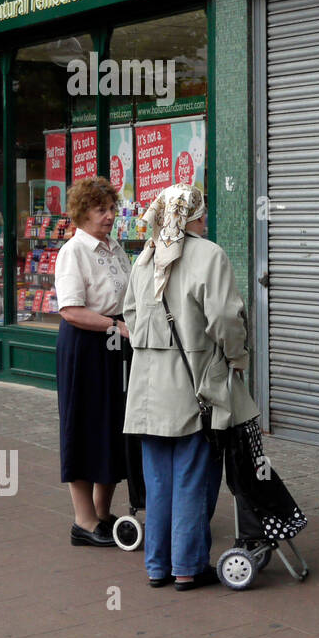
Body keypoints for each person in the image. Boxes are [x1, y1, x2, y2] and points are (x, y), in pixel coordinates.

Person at [123, 184, 258, 590]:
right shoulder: (209, 254)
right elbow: (226, 317)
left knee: (158, 480)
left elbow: (129, 312)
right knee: (192, 476)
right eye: (203, 210)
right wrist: (238, 358)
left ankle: (157, 566)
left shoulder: (145, 256)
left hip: (147, 390)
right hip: (194, 382)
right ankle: (188, 566)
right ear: (196, 213)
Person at [55, 177, 132, 547]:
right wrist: (117, 325)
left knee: (114, 425)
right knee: (84, 426)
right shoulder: (74, 252)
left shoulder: (114, 248)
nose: (110, 215)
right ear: (82, 213)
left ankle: (103, 513)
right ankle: (83, 521)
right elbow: (70, 310)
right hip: (86, 346)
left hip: (116, 343)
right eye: (102, 209)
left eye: (112, 208)